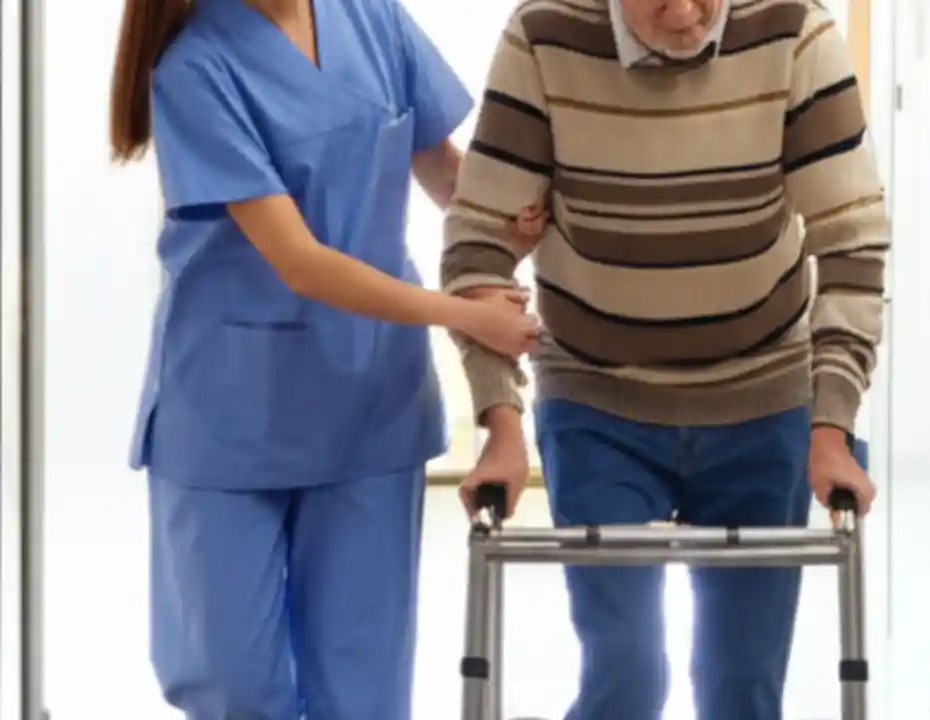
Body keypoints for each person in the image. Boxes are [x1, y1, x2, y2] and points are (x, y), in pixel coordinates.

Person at [441, 0, 890, 718]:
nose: (684, 12)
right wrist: (500, 418)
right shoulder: (544, 36)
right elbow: (478, 241)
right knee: (625, 671)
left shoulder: (794, 32)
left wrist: (830, 428)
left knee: (740, 680)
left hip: (762, 392)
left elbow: (852, 243)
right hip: (597, 397)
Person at [109, 1, 543, 718]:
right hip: (230, 415)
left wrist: (509, 220)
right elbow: (301, 262)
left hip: (370, 404)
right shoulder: (195, 69)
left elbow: (440, 169)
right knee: (233, 683)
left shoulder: (372, 19)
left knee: (364, 685)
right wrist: (466, 317)